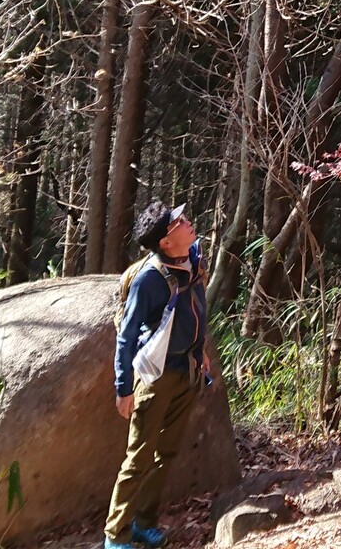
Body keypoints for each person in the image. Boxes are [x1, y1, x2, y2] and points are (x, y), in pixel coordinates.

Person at [104, 202, 217, 549]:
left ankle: (144, 523)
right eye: (179, 223)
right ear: (166, 243)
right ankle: (115, 535)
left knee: (165, 453)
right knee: (138, 457)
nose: (188, 222)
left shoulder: (192, 262)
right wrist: (124, 387)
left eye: (184, 218)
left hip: (187, 372)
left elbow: (194, 313)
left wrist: (201, 354)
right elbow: (127, 334)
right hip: (155, 377)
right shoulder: (149, 279)